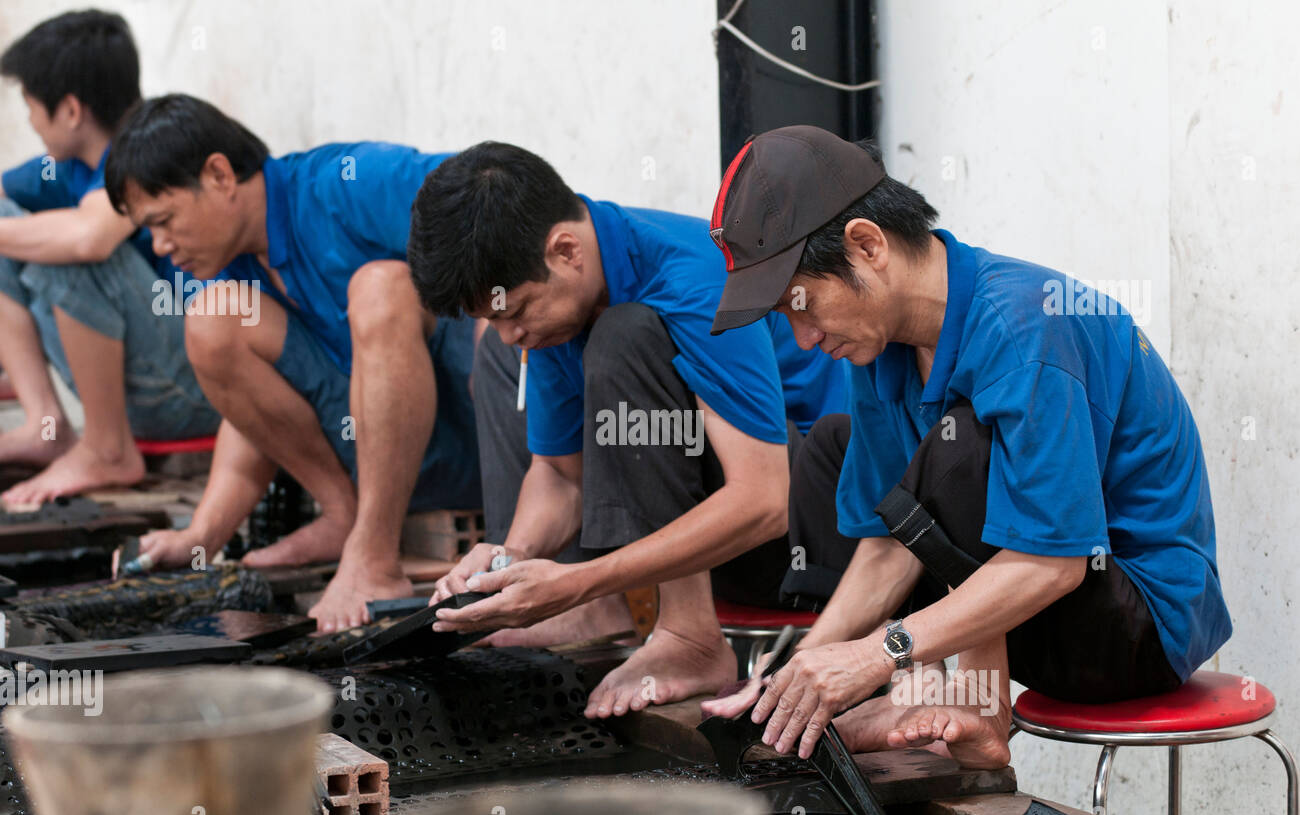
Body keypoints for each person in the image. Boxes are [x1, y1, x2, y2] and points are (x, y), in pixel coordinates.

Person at [701, 126, 1232, 769]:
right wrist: (795, 676)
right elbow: (887, 543)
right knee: (836, 443)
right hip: (1034, 615)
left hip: (1132, 628)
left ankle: (977, 711)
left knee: (966, 442)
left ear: (867, 246)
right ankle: (928, 689)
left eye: (802, 306)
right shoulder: (878, 350)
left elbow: (1054, 565)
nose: (804, 338)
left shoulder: (1024, 326)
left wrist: (877, 655)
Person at [409, 142, 849, 719]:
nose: (509, 333)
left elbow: (765, 500)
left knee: (626, 335)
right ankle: (663, 626)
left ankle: (689, 639)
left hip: (817, 547)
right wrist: (506, 559)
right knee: (575, 342)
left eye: (514, 312)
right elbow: (561, 478)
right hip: (723, 545)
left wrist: (581, 581)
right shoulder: (564, 300)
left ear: (565, 250)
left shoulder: (691, 277)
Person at [104, 94, 480, 632]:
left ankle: (373, 555)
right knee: (212, 319)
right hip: (376, 458)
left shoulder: (347, 184)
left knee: (379, 287)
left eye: (164, 221)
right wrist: (202, 536)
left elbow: (499, 213)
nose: (162, 246)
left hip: (482, 435)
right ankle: (345, 516)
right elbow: (252, 417)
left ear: (218, 175)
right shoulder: (217, 270)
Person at [0, 10, 218, 502]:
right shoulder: (67, 166)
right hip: (149, 381)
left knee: (68, 250)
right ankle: (45, 424)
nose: (31, 122)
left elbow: (90, 240)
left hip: (195, 390)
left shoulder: (145, 153)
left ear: (72, 111)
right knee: (12, 227)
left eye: (32, 107)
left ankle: (106, 448)